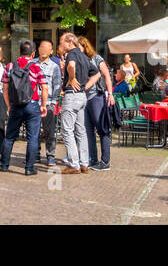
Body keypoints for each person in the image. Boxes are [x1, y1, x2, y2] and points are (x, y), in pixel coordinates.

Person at [0, 40, 47, 176]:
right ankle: (29, 168)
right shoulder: (36, 66)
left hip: (16, 106)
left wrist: (9, 105)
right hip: (32, 105)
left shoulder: (10, 66)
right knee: (32, 138)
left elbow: (5, 88)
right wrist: (43, 105)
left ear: (19, 52)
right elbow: (44, 87)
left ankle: (4, 165)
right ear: (33, 54)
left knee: (9, 137)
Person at [58, 32, 92, 174]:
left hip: (72, 96)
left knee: (67, 130)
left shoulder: (72, 54)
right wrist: (85, 86)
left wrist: (71, 78)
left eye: (61, 43)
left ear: (69, 42)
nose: (60, 46)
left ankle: (73, 164)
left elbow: (71, 65)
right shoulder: (84, 56)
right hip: (82, 96)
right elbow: (96, 72)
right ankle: (84, 163)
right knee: (81, 131)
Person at [81, 38, 114, 172]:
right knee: (88, 131)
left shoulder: (96, 58)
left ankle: (105, 161)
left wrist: (110, 93)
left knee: (102, 129)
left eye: (79, 47)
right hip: (85, 99)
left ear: (85, 47)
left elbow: (106, 75)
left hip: (96, 97)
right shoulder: (80, 61)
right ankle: (92, 159)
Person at [35, 39, 63, 166]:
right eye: (42, 47)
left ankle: (50, 156)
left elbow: (57, 86)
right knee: (34, 131)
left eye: (47, 48)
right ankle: (35, 155)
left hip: (49, 104)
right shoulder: (31, 64)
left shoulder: (55, 67)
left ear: (51, 51)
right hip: (34, 103)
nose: (44, 50)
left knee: (49, 131)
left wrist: (53, 103)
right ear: (38, 49)